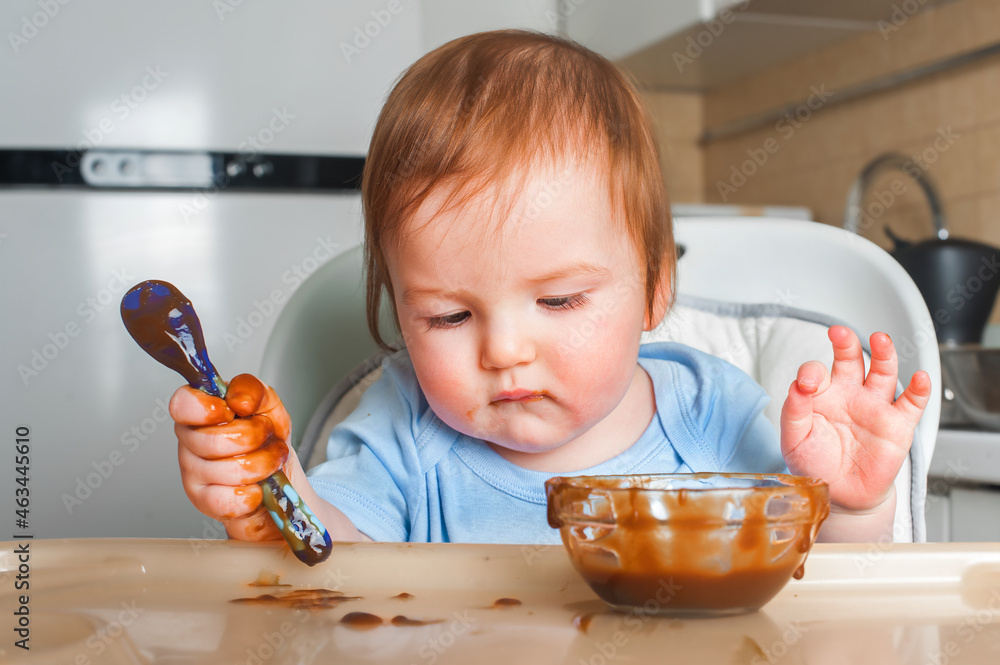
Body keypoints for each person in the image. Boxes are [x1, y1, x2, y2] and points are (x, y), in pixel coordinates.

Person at [170, 30, 930, 547]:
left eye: (559, 300)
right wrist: (283, 498)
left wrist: (851, 507)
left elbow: (818, 588)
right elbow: (345, 566)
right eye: (448, 314)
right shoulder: (403, 428)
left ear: (656, 285)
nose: (503, 349)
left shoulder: (714, 417)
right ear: (397, 307)